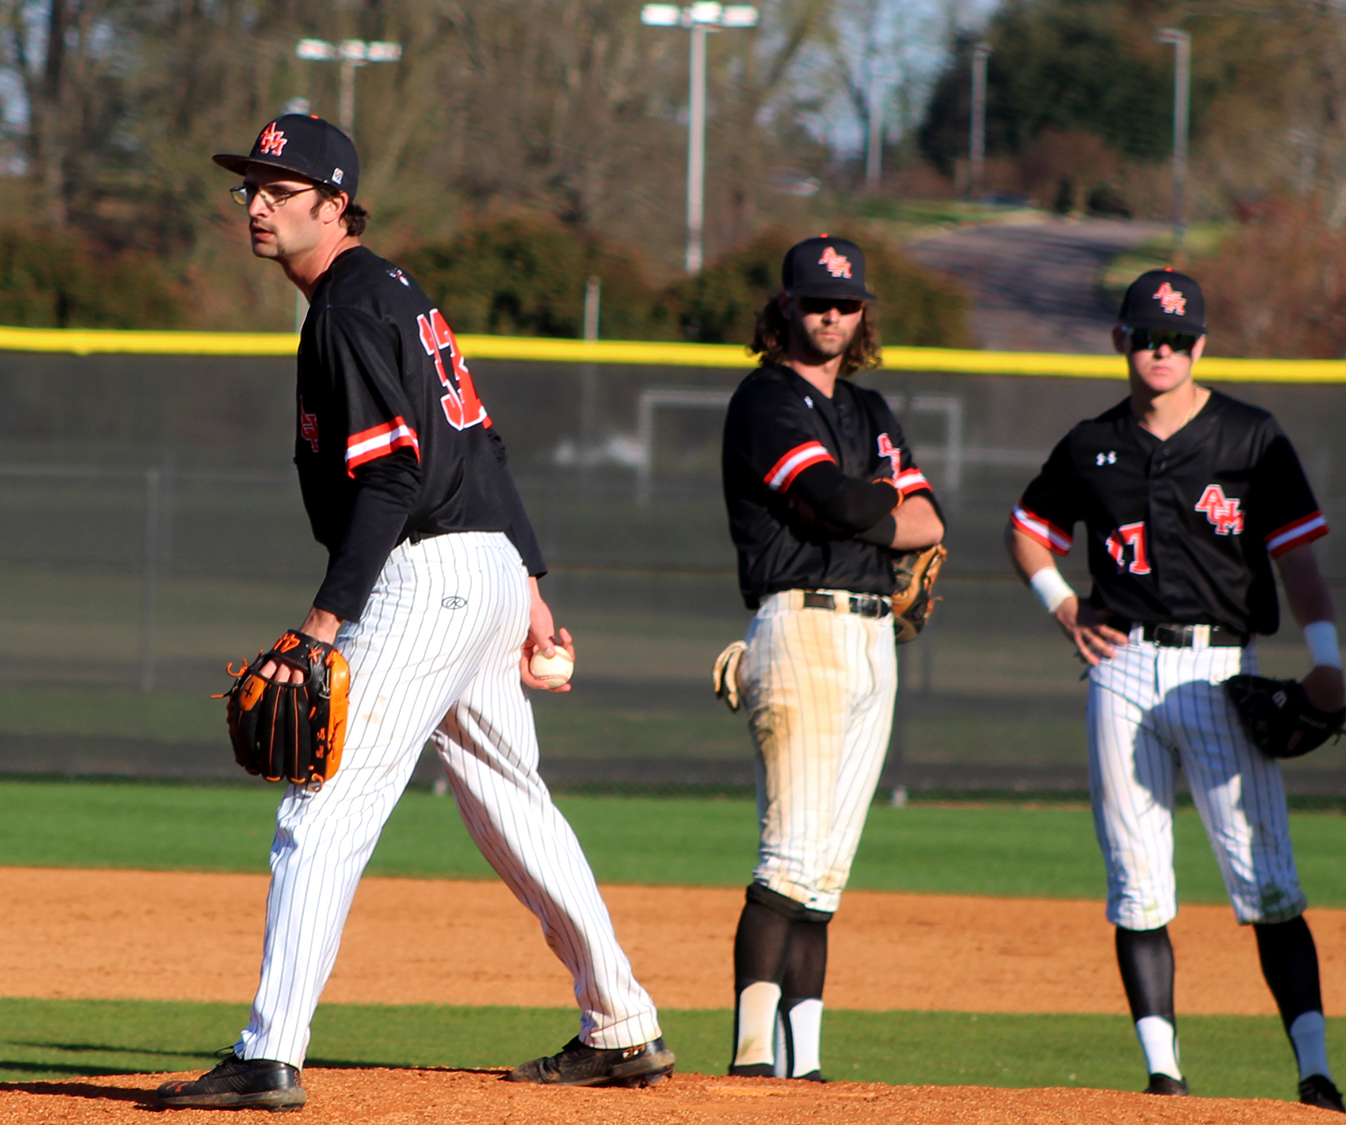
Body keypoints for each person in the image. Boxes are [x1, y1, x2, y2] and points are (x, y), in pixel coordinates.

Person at [153, 113, 671, 1112]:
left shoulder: (346, 308)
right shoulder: (392, 290)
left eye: (281, 187)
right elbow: (480, 440)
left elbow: (392, 474)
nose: (257, 203)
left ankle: (268, 1055)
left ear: (335, 203)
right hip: (474, 560)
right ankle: (620, 1023)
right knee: (507, 799)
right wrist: (521, 582)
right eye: (249, 186)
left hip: (423, 570)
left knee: (322, 805)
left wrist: (324, 620)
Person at [1005, 268, 1343, 1109]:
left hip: (1221, 668)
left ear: (1201, 343)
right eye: (1147, 335)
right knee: (1136, 880)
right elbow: (1027, 529)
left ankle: (1315, 1071)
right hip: (1119, 667)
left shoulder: (1251, 436)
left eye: (1177, 336)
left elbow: (1298, 557)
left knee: (1268, 882)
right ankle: (1162, 1073)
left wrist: (1328, 656)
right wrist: (1064, 606)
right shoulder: (1092, 443)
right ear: (1123, 339)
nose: (1162, 349)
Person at [716, 235, 945, 1081]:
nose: (832, 315)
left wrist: (869, 508)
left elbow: (932, 518)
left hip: (873, 633)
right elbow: (829, 498)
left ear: (863, 313)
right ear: (784, 307)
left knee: (826, 871)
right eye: (816, 300)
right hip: (801, 625)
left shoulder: (870, 409)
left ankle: (804, 1066)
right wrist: (879, 505)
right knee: (787, 855)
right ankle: (747, 1059)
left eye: (847, 303)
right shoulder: (765, 400)